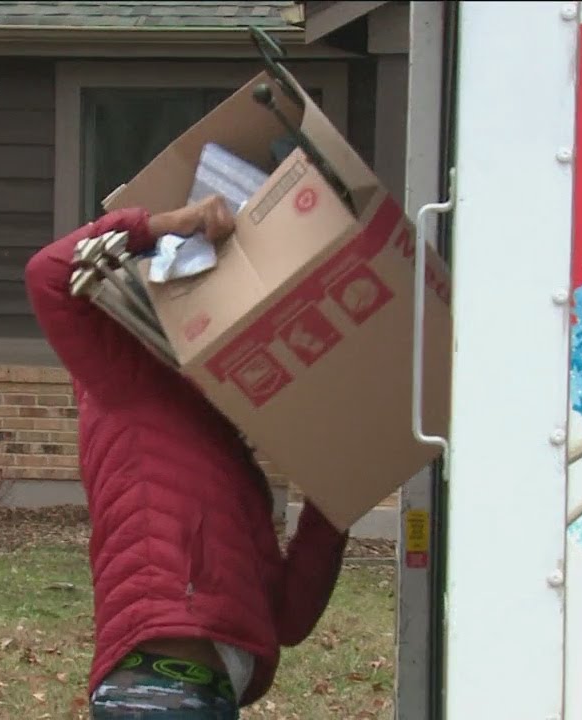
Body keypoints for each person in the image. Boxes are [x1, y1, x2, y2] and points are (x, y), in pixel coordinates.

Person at [25, 195, 350, 718]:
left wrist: (333, 499)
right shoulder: (130, 384)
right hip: (159, 693)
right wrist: (164, 224)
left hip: (204, 696)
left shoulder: (226, 447)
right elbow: (48, 274)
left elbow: (287, 618)